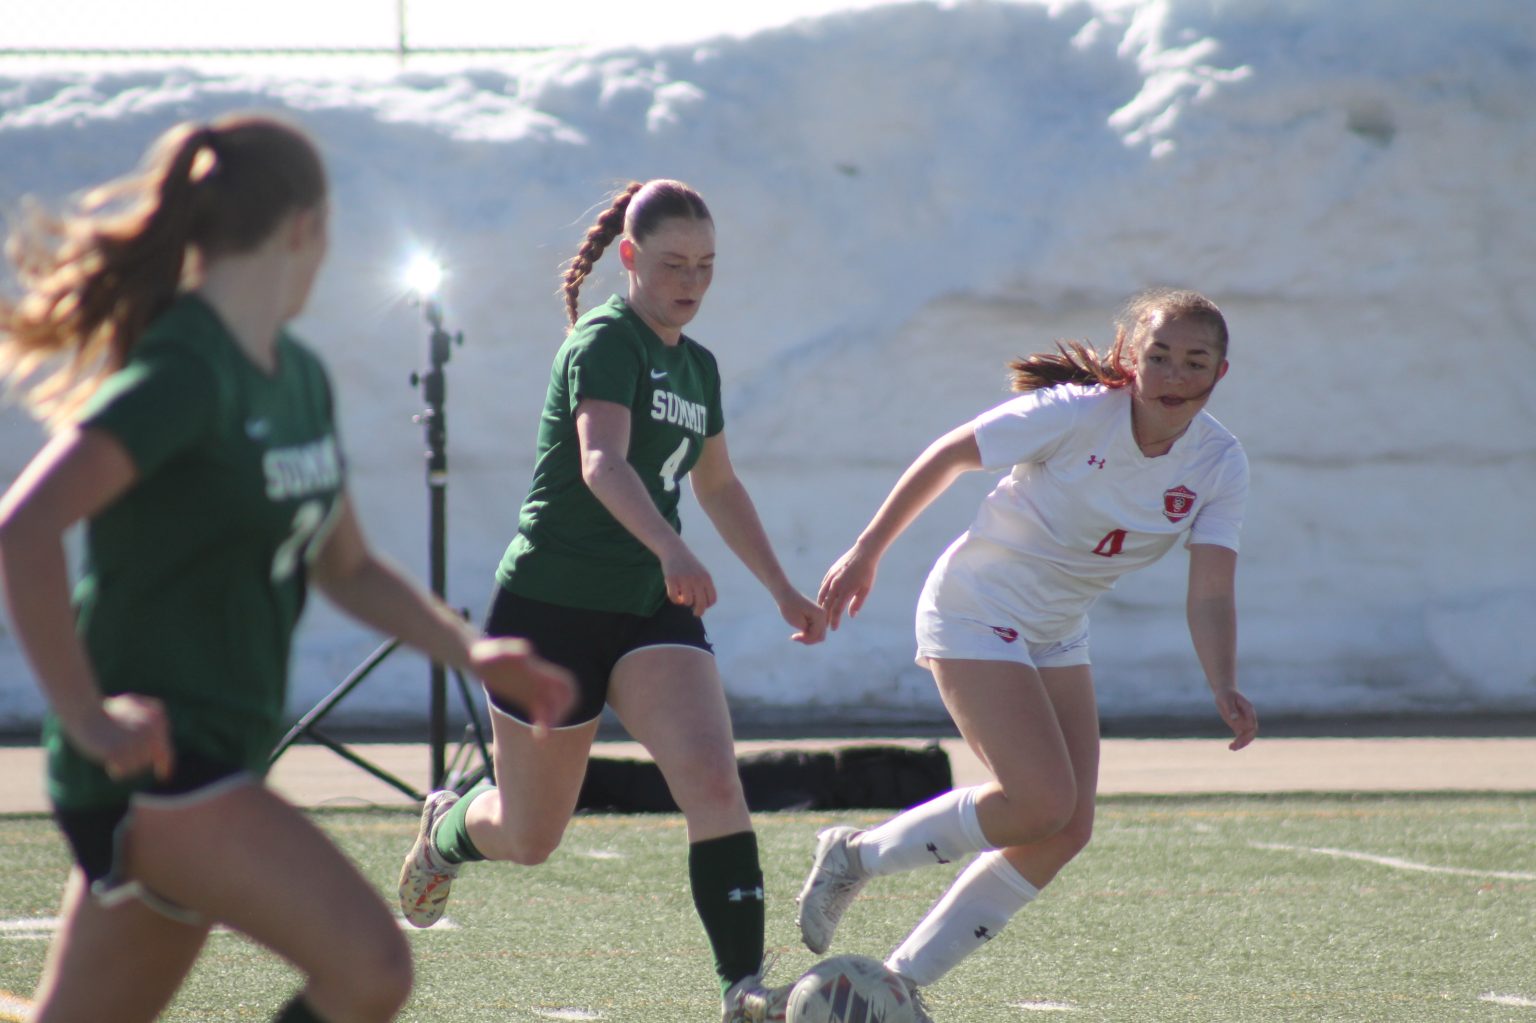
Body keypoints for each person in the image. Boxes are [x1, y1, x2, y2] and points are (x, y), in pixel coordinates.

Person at [0, 113, 575, 1023]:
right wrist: (87, 713)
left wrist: (474, 653)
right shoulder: (185, 370)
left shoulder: (296, 374)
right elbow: (23, 530)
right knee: (372, 967)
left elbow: (345, 565)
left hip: (224, 754)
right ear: (305, 226)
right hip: (155, 767)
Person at [394, 178, 828, 1022]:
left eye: (706, 265)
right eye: (672, 263)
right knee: (529, 836)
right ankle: (446, 831)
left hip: (647, 608)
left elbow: (720, 481)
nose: (691, 281)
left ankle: (743, 989)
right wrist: (670, 543)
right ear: (629, 258)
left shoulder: (698, 366)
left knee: (711, 777)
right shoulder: (606, 340)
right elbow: (602, 463)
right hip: (550, 609)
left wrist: (781, 586)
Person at [794, 288, 1259, 1019]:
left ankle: (900, 980)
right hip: (976, 608)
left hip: (1054, 629)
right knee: (1038, 799)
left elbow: (1209, 592)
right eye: (1159, 355)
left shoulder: (1219, 462)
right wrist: (866, 551)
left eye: (1193, 361)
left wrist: (1223, 682)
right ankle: (856, 854)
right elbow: (949, 453)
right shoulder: (1075, 414)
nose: (1173, 374)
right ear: (1129, 360)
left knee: (1068, 826)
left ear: (1220, 374)